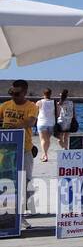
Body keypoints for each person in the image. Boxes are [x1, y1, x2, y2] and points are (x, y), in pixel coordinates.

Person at [1, 80, 40, 228]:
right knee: (7, 181)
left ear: (24, 92)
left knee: (26, 181)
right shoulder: (5, 106)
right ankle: (8, 213)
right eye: (11, 93)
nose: (13, 97)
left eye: (17, 94)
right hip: (6, 150)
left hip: (25, 149)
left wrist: (12, 126)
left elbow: (30, 122)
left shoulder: (31, 107)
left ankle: (21, 214)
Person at [35, 89, 57, 162]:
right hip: (51, 123)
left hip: (42, 122)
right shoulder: (54, 102)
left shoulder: (39, 102)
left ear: (43, 94)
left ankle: (45, 155)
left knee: (43, 140)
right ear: (51, 94)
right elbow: (58, 113)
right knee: (47, 140)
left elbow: (35, 112)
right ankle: (44, 154)